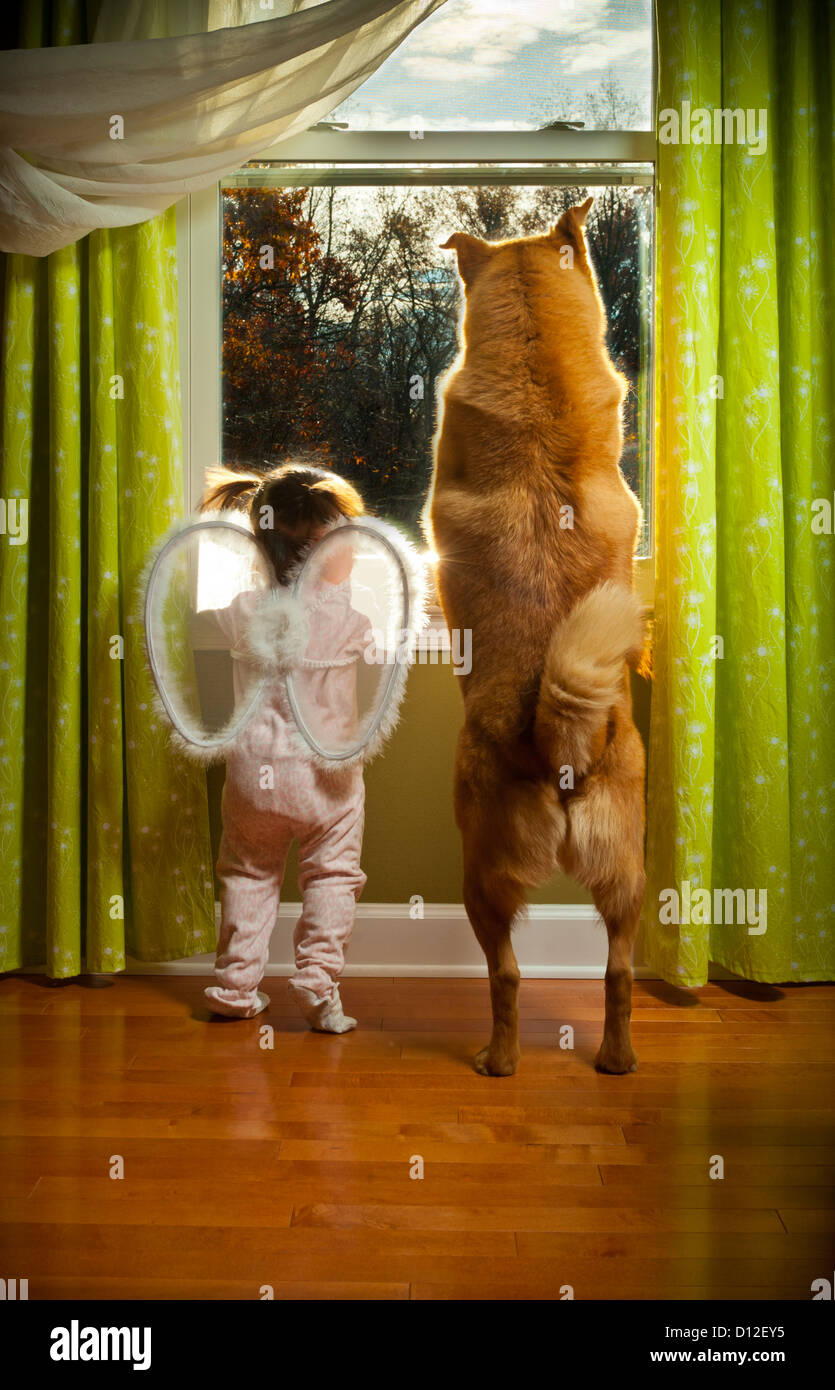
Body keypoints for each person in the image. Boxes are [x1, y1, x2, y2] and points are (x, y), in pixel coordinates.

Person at [198, 461, 370, 1032]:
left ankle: (234, 985)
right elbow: (375, 648)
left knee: (248, 872)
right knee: (331, 875)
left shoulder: (244, 612)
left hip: (253, 777)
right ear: (323, 547)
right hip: (325, 779)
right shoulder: (350, 620)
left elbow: (215, 619)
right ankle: (318, 983)